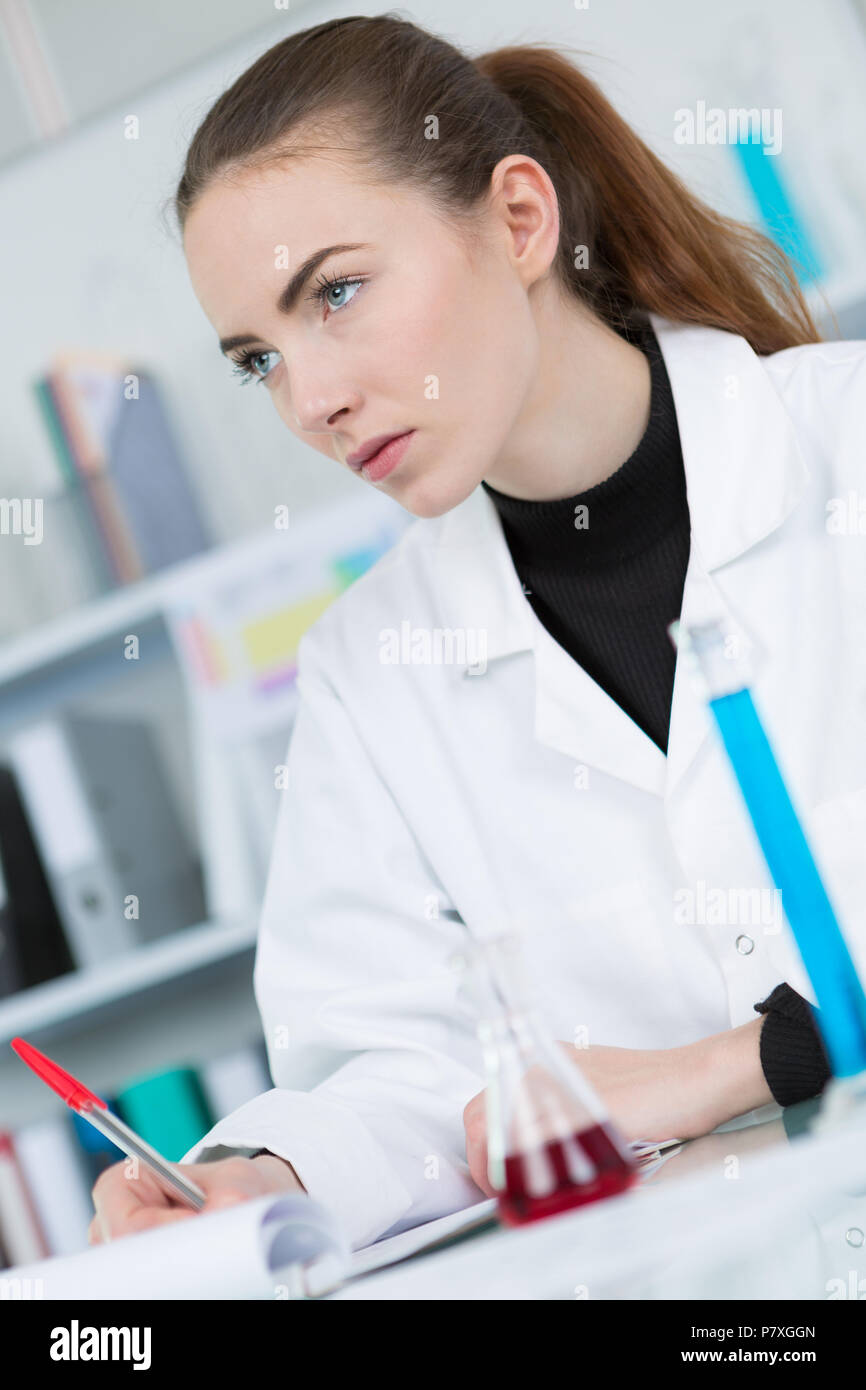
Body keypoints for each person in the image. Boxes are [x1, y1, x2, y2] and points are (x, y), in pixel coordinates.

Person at [89, 14, 861, 1251]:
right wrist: (265, 1173)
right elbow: (402, 1066)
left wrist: (738, 1063)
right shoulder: (366, 669)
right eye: (257, 360)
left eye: (336, 292)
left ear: (516, 221)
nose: (312, 399)